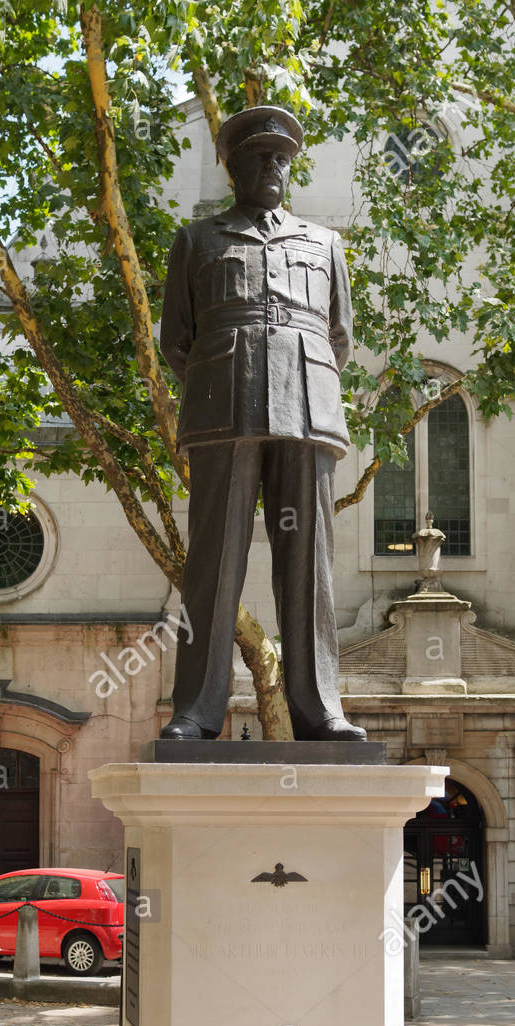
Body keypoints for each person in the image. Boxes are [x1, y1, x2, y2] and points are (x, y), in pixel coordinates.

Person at [158, 106, 366, 741]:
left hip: (308, 407)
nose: (271, 167)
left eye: (280, 158)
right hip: (225, 407)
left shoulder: (324, 243)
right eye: (257, 158)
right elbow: (177, 340)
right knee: (213, 563)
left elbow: (339, 336)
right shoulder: (197, 240)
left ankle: (319, 708)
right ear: (233, 168)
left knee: (310, 565)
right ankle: (196, 710)